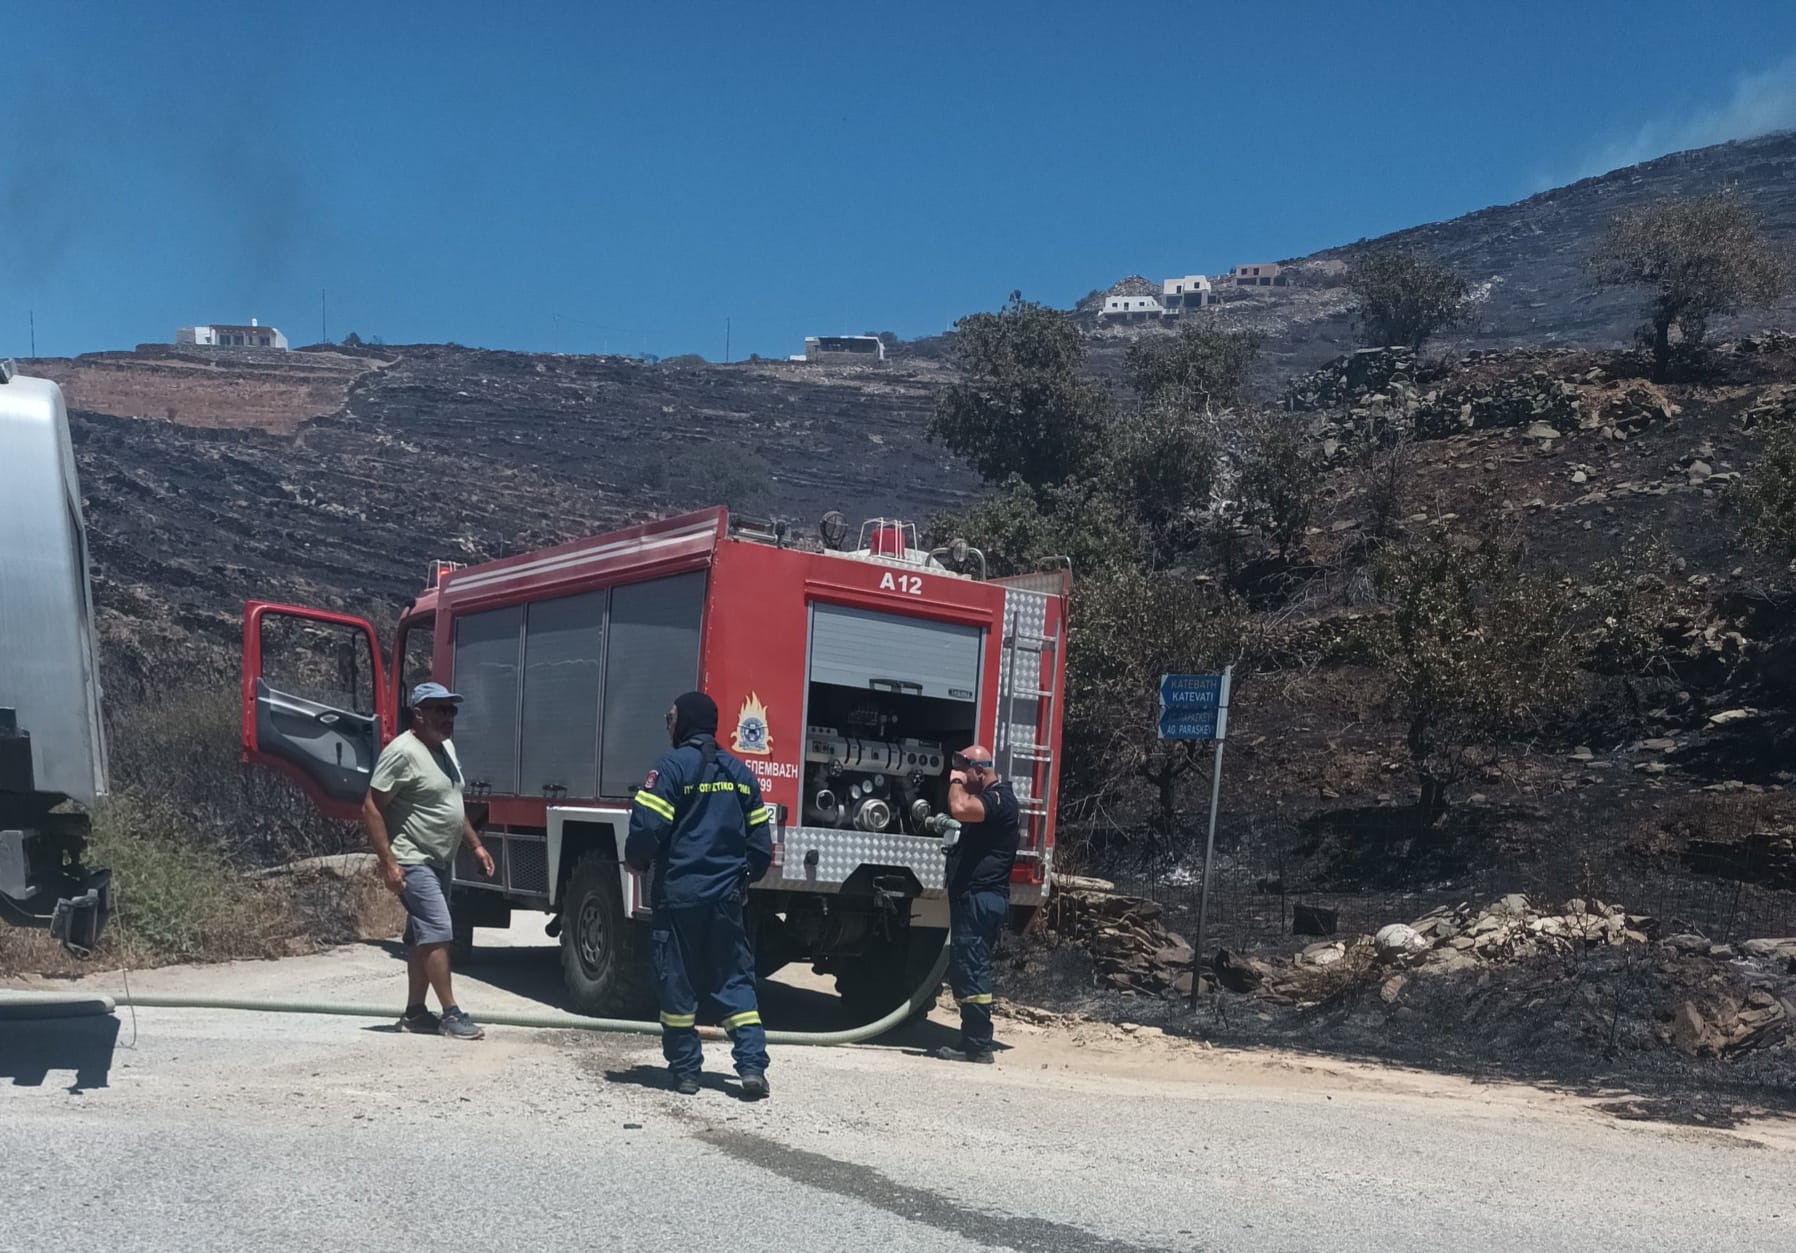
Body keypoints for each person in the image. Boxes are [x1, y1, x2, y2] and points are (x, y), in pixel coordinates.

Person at [625, 691, 774, 1099]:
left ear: (686, 722)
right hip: (726, 898)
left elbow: (648, 827)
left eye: (671, 718)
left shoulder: (672, 768)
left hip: (679, 896)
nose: (668, 725)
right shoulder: (740, 773)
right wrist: (745, 880)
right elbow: (761, 842)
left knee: (677, 983)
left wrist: (635, 860)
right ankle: (751, 1068)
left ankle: (686, 1072)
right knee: (734, 980)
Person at [363, 681, 495, 1040]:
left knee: (422, 938)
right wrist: (389, 862)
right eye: (439, 709)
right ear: (418, 714)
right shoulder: (402, 752)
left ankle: (415, 1013)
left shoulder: (446, 748)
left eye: (451, 710)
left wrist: (476, 845)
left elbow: (451, 804)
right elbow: (372, 807)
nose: (447, 717)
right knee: (439, 931)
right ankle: (451, 1014)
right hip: (412, 858)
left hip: (439, 859)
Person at [936, 744, 1020, 1064]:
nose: (961, 777)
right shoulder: (993, 800)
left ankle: (978, 1045)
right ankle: (973, 1039)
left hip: (981, 900)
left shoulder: (1001, 800)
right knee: (968, 968)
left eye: (965, 771)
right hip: (976, 899)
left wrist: (954, 781)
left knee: (972, 970)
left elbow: (960, 808)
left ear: (979, 772)